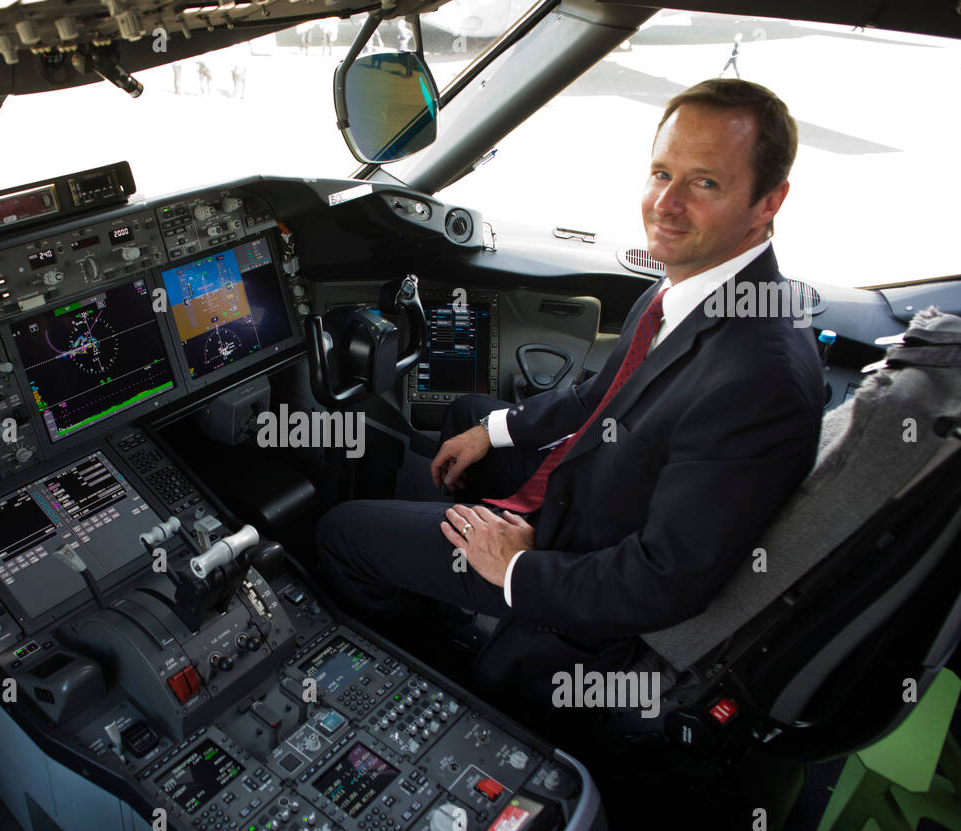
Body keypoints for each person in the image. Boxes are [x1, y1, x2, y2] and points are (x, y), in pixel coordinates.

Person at [316, 79, 824, 717]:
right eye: (662, 172)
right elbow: (603, 393)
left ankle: (429, 665)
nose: (665, 204)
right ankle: (455, 564)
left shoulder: (760, 380)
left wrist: (516, 570)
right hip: (597, 492)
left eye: (705, 184)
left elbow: (661, 583)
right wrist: (495, 431)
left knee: (341, 534)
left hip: (585, 558)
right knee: (467, 416)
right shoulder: (689, 284)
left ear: (768, 201)